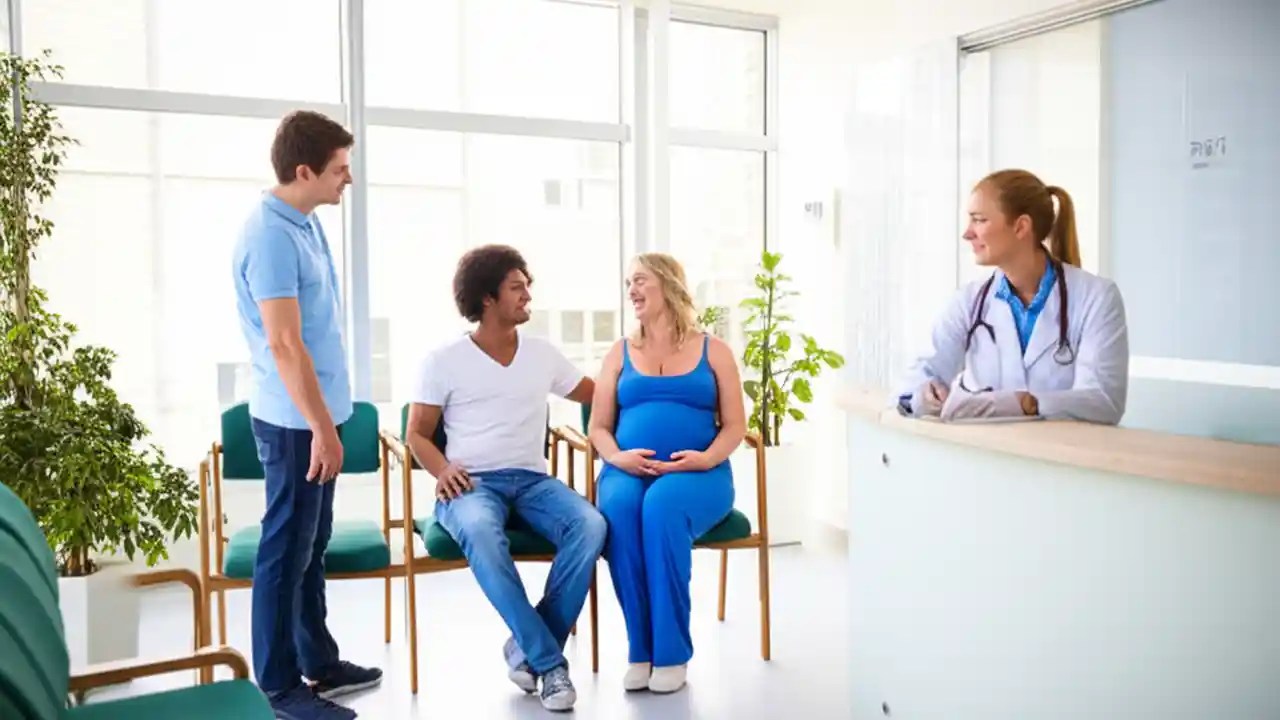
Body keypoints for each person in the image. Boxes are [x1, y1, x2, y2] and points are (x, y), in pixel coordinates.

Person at [404, 244, 606, 713]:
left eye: (526, 286)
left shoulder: (542, 354)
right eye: (517, 287)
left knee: (591, 525)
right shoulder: (444, 360)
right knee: (478, 530)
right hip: (471, 485)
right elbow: (417, 435)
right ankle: (550, 665)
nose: (527, 294)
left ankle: (526, 650)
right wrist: (443, 468)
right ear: (488, 298)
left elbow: (597, 394)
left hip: (534, 481)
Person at [232, 111, 381, 720]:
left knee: (311, 545)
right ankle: (278, 686)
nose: (349, 178)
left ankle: (317, 662)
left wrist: (332, 418)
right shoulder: (269, 236)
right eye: (340, 169)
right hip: (296, 423)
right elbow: (285, 344)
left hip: (321, 413)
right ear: (304, 171)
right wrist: (321, 428)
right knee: (285, 549)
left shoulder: (304, 221)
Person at [587, 253, 746, 695]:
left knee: (662, 504)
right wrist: (617, 458)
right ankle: (641, 649)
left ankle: (672, 653)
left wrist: (706, 458)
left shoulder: (715, 351)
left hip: (702, 473)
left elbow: (736, 426)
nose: (632, 291)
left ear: (669, 285)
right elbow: (598, 427)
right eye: (628, 283)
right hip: (626, 469)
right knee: (619, 506)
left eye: (640, 281)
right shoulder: (619, 353)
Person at [896, 168, 1129, 424]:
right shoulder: (968, 302)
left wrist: (1027, 404)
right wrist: (925, 396)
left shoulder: (1096, 298)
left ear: (1020, 227)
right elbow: (915, 381)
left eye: (979, 220)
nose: (967, 233)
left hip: (1061, 459)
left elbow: (1104, 402)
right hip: (988, 456)